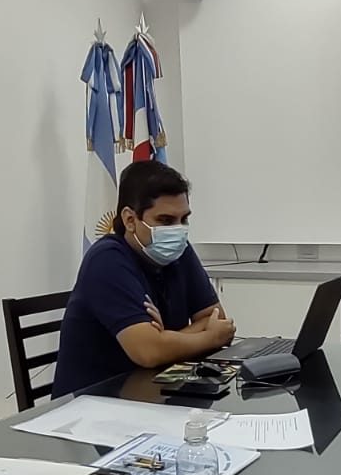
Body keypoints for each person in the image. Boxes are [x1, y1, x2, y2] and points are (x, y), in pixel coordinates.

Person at [52, 161, 234, 396]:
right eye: (166, 221)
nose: (178, 230)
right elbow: (149, 352)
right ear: (130, 220)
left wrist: (165, 340)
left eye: (184, 219)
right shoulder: (106, 260)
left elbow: (215, 317)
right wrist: (209, 337)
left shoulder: (179, 251)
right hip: (91, 408)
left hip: (150, 393)